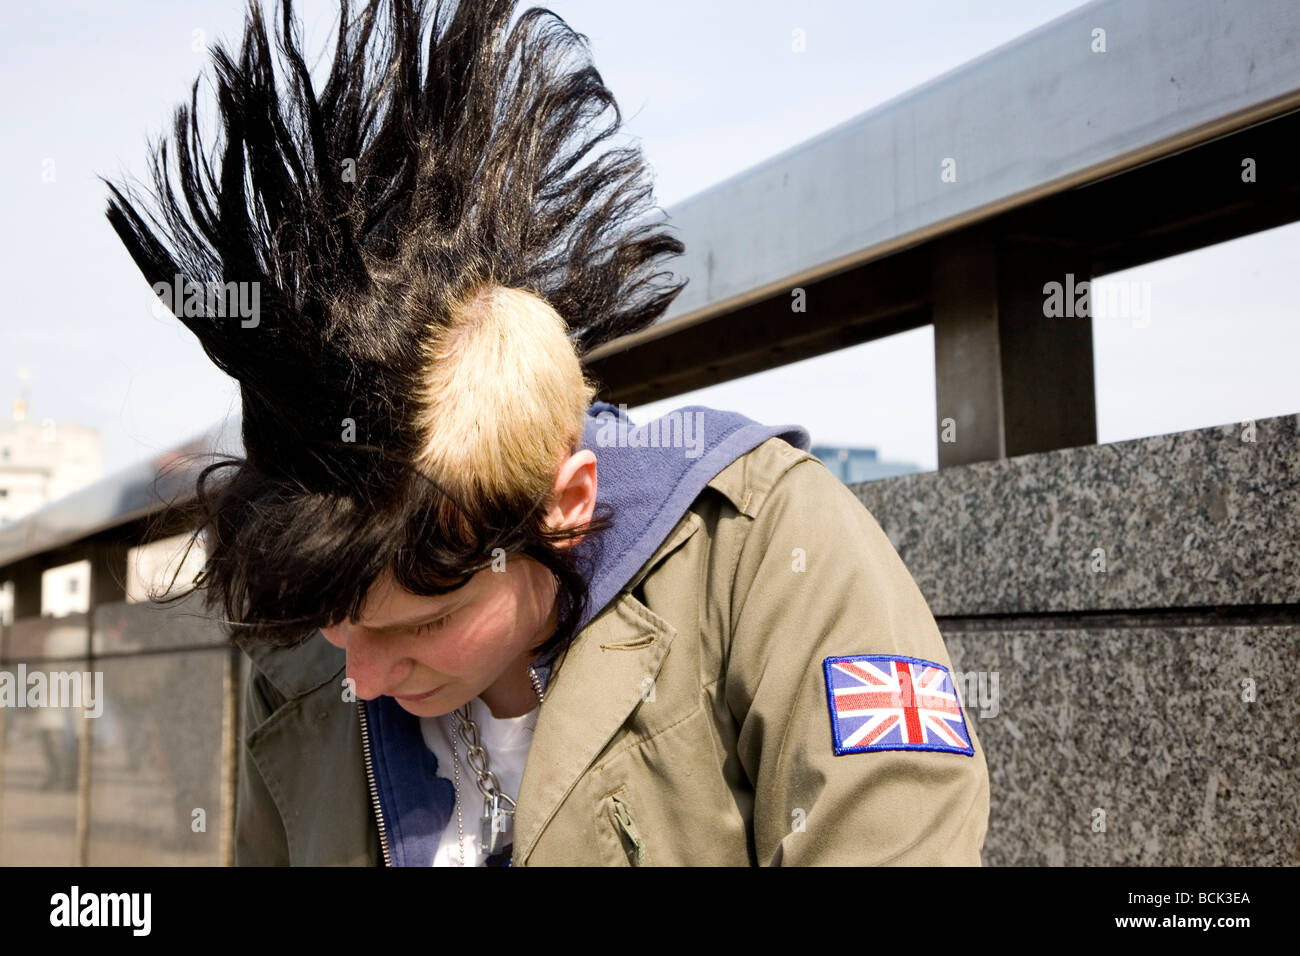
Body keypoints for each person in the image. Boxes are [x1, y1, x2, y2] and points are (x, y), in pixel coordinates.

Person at [103, 0, 989, 866]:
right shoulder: (308, 640)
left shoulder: (768, 558)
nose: (362, 678)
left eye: (427, 622)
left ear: (565, 506)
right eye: (344, 629)